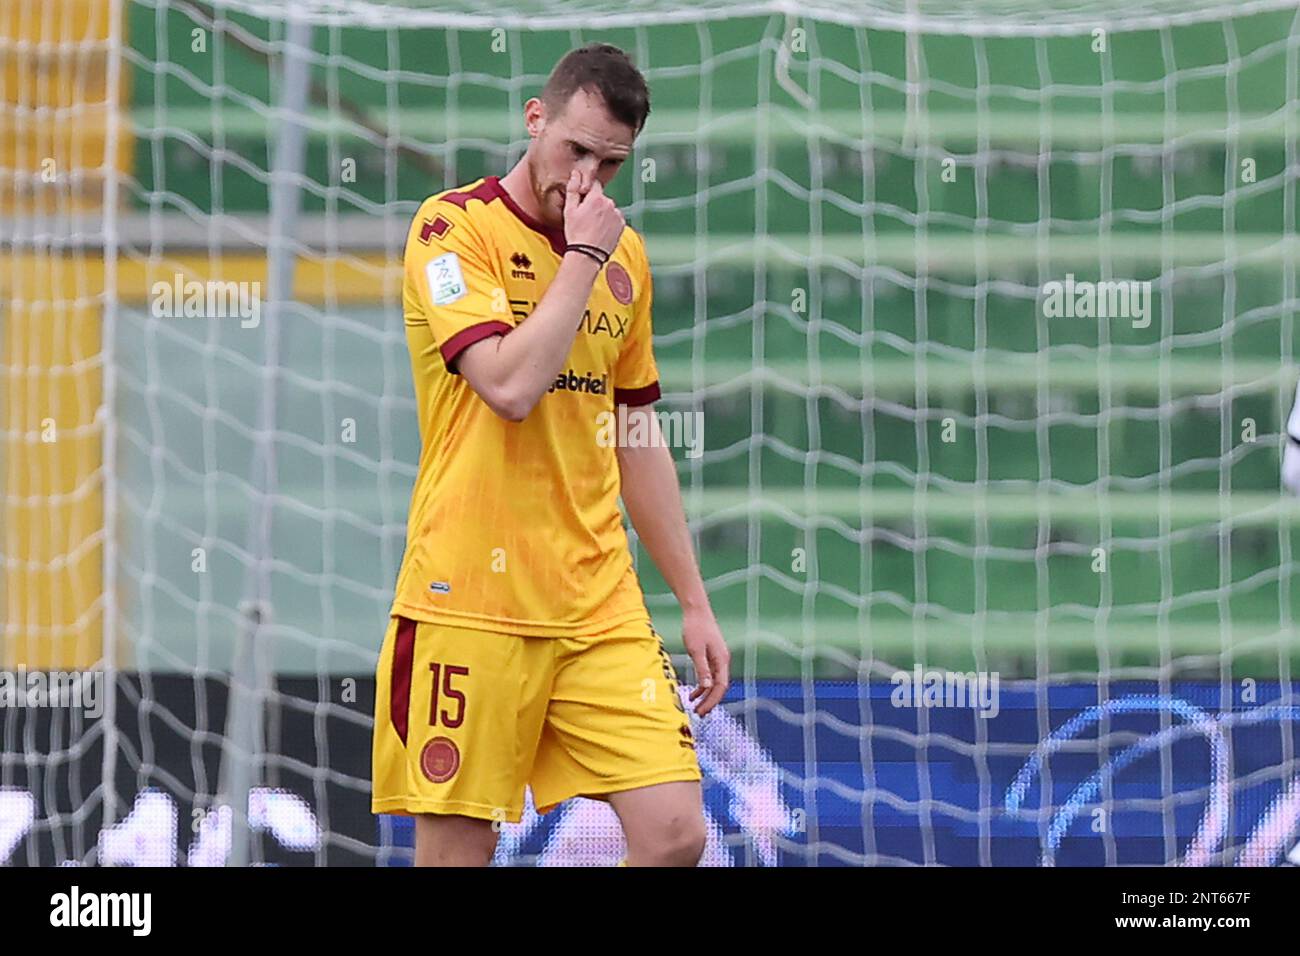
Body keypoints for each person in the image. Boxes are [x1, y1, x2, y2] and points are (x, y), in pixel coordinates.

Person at [371, 42, 730, 866]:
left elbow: (636, 433)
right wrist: (581, 259)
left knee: (677, 834)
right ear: (536, 119)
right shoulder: (451, 228)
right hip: (470, 600)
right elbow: (507, 386)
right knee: (458, 855)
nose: (588, 182)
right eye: (575, 150)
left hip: (594, 600)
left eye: (612, 163)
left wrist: (694, 598)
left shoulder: (622, 258)